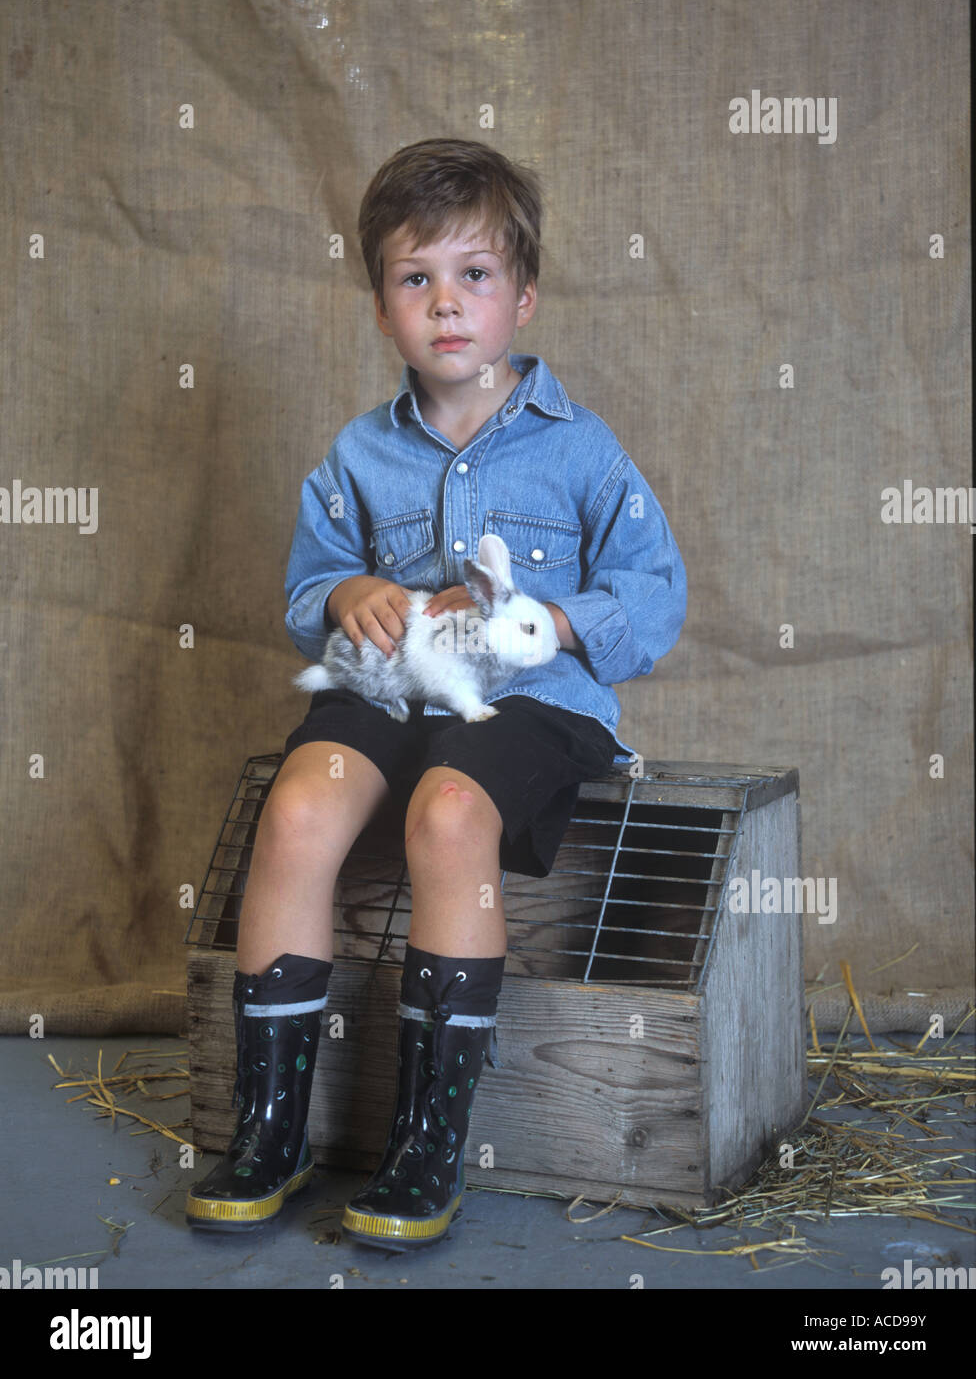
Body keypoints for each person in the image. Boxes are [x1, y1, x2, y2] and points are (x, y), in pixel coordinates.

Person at [185, 137, 687, 1249]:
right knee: (303, 803)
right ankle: (271, 1126)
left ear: (524, 299)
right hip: (390, 688)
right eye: (415, 280)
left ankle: (427, 1141)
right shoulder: (358, 455)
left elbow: (654, 597)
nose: (445, 305)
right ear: (379, 309)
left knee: (449, 810)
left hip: (531, 699)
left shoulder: (583, 452)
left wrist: (547, 621)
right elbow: (306, 585)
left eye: (474, 277)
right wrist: (350, 588)